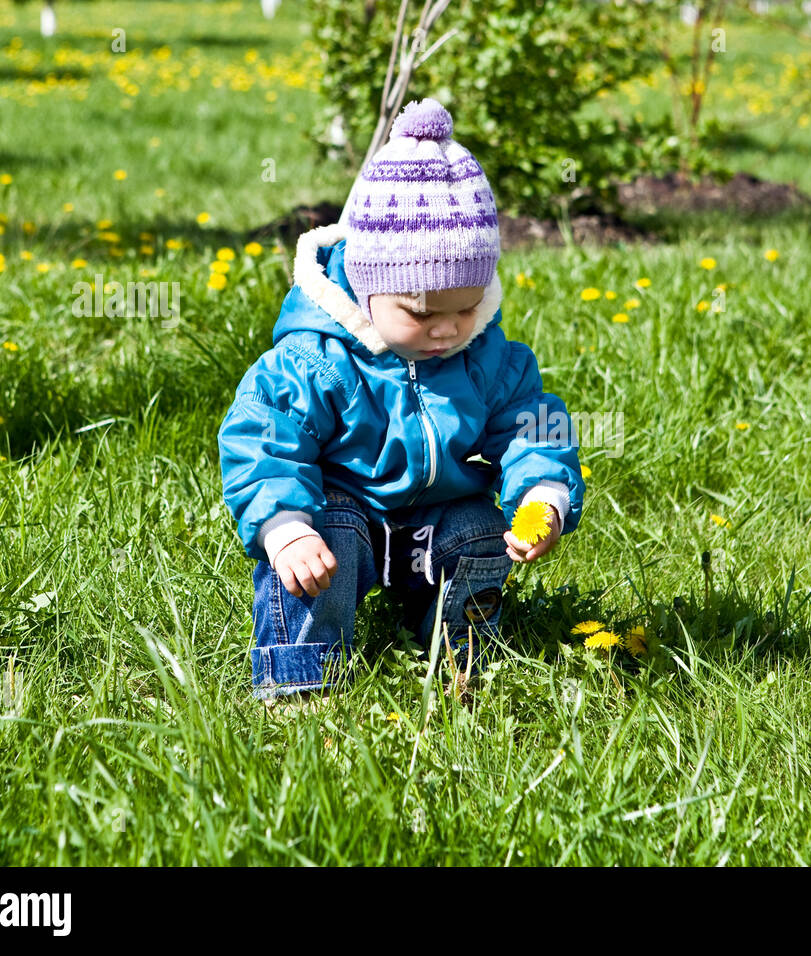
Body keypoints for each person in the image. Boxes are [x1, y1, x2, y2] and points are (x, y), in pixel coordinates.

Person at [218, 97, 585, 701]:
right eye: (420, 314)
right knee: (317, 549)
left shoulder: (487, 359)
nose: (446, 330)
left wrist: (543, 495)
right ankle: (301, 676)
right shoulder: (316, 360)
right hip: (348, 517)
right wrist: (284, 525)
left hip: (437, 521)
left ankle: (463, 657)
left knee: (481, 534)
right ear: (366, 290)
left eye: (466, 309)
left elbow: (532, 427)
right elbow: (262, 434)